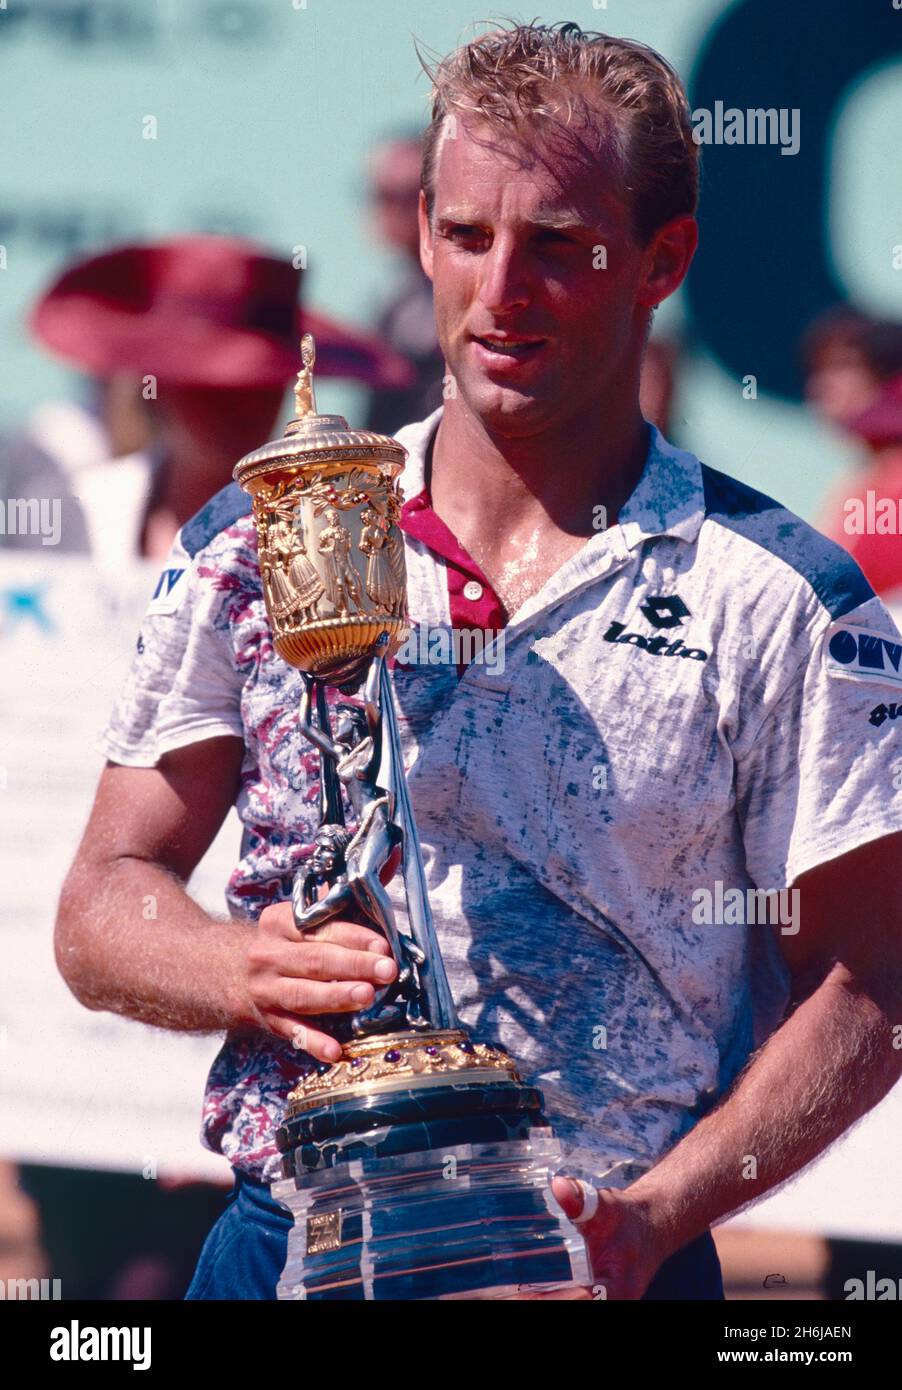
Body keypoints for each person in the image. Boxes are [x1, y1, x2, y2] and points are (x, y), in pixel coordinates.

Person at [56, 21, 902, 1301]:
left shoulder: (780, 595)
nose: (501, 289)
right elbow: (102, 902)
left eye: (559, 245)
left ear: (661, 260)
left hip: (604, 1267)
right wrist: (236, 966)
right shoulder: (264, 537)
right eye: (466, 236)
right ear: (421, 240)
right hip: (285, 1244)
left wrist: (656, 1216)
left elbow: (873, 975)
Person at [1, 235, 413, 563]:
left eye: (261, 382)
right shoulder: (77, 515)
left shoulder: (336, 534)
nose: (242, 405)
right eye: (210, 386)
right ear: (158, 388)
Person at [362, 134, 446, 434]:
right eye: (384, 195)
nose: (394, 210)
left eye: (406, 194)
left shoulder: (457, 290)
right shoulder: (396, 301)